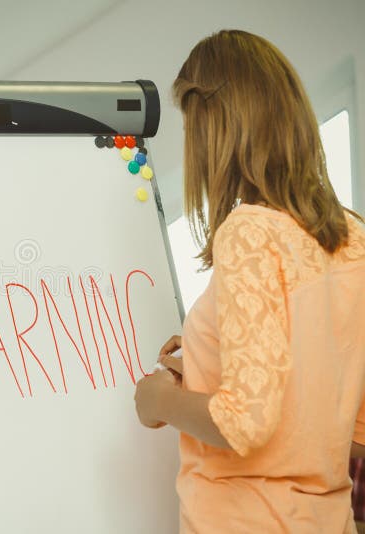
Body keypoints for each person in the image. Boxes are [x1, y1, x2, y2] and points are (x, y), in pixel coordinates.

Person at [133, 29, 365, 532]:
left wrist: (161, 402)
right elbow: (345, 423)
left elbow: (246, 422)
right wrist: (204, 356)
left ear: (216, 124)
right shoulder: (352, 236)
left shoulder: (248, 231)